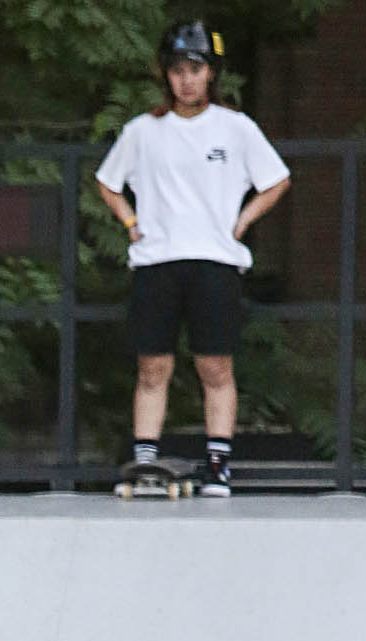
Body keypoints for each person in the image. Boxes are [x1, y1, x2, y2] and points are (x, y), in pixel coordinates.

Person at [96, 20, 289, 499]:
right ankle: (145, 458)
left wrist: (243, 221)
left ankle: (218, 462)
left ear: (211, 75)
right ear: (166, 75)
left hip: (215, 260)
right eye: (178, 70)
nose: (186, 79)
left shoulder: (235, 128)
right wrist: (131, 223)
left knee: (215, 367)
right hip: (157, 259)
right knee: (152, 366)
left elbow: (276, 179)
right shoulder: (144, 130)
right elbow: (108, 181)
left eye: (196, 70)